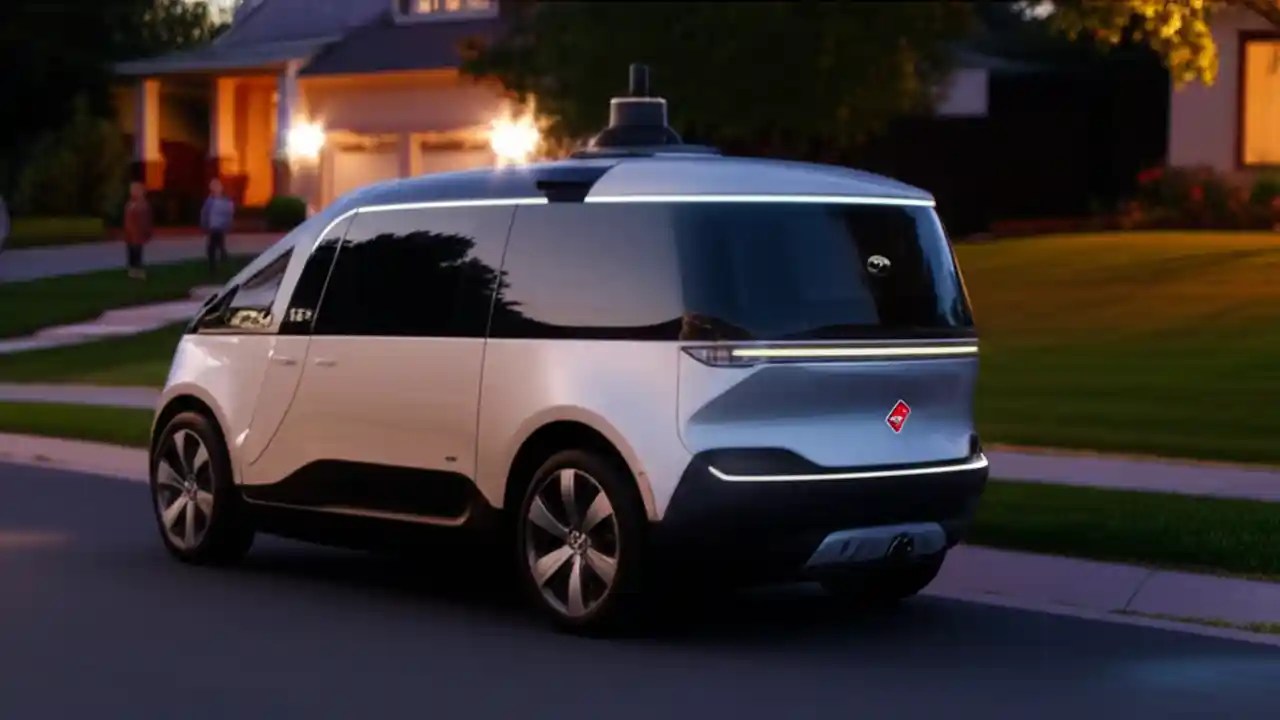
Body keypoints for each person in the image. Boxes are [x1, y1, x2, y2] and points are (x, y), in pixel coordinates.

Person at [200, 177, 234, 274]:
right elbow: (205, 213)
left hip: (218, 227)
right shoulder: (211, 201)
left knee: (215, 246)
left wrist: (228, 224)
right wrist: (204, 225)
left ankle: (220, 263)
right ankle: (218, 263)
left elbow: (228, 214)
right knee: (215, 246)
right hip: (214, 227)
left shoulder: (224, 201)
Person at [122, 182, 153, 279]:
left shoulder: (143, 205)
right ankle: (132, 269)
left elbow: (146, 220)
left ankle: (137, 270)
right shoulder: (130, 203)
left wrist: (146, 231)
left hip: (137, 232)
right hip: (130, 232)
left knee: (137, 251)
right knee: (131, 250)